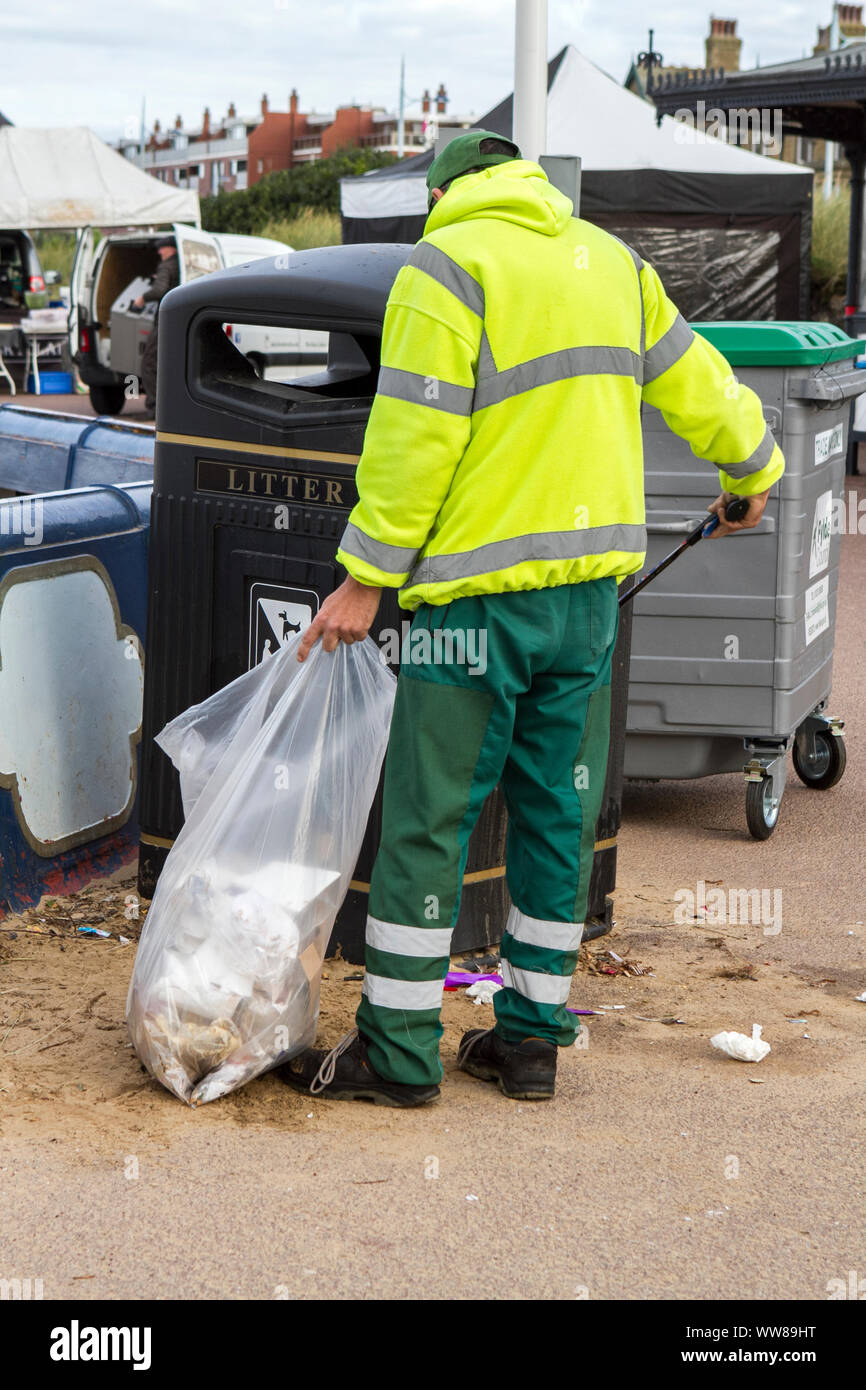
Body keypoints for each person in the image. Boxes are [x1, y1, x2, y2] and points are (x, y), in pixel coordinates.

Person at [279, 132, 785, 1108]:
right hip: (582, 607)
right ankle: (530, 1041)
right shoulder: (611, 264)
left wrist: (364, 575)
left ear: (443, 193)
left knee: (430, 819)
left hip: (472, 609)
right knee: (557, 813)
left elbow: (411, 439)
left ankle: (397, 1048)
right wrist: (751, 471)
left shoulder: (447, 266)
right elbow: (699, 380)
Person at [135, 236, 179, 417]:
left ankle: (154, 407)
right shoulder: (180, 264)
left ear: (170, 249)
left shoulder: (166, 266)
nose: (159, 252)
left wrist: (142, 298)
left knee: (149, 363)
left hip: (164, 320)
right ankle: (169, 406)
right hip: (179, 319)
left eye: (162, 249)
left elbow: (160, 290)